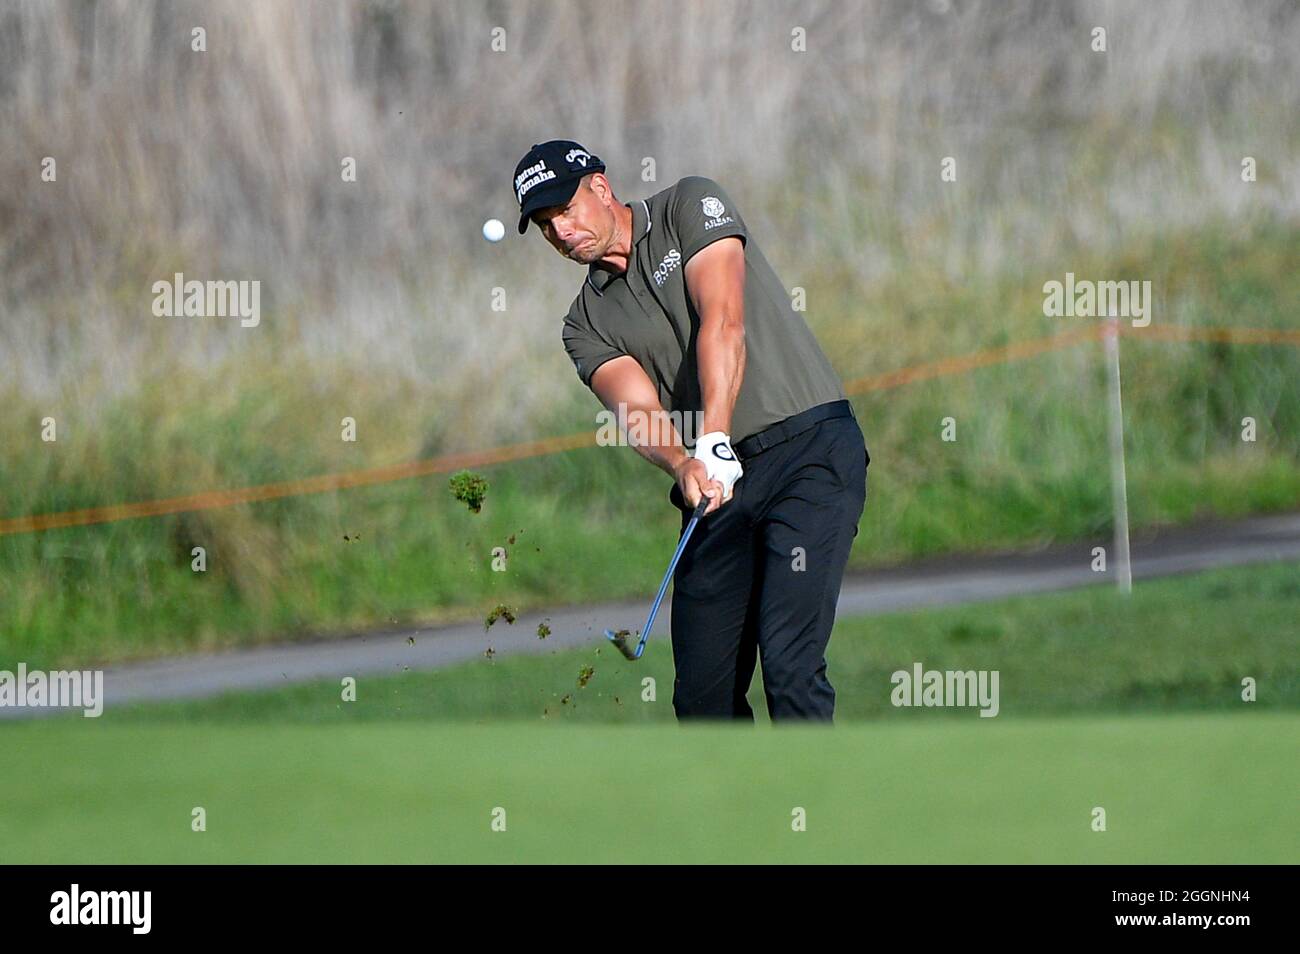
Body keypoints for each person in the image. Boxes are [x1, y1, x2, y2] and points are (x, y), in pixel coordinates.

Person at [514, 139, 869, 721]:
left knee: (790, 665)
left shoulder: (689, 205)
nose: (562, 231)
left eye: (567, 209)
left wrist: (713, 437)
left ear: (601, 188)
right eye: (547, 225)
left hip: (809, 450)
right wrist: (685, 464)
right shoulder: (585, 324)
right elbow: (637, 411)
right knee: (702, 701)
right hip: (714, 485)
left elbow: (723, 320)